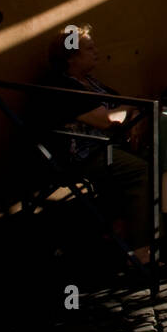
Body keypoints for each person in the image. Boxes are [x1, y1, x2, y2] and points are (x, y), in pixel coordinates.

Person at [42, 25, 153, 267]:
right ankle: (141, 252)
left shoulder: (90, 82)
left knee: (155, 156)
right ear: (71, 56)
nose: (97, 52)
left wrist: (131, 117)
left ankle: (125, 227)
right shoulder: (64, 86)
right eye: (89, 48)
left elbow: (126, 105)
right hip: (81, 155)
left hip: (105, 147)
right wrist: (127, 116)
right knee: (141, 170)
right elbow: (106, 119)